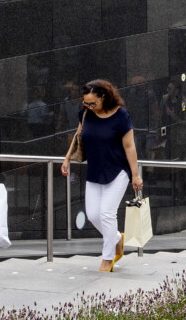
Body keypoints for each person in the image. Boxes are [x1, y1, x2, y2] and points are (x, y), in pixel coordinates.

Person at [59, 79, 142, 272]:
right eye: (85, 103)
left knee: (106, 213)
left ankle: (107, 258)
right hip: (95, 170)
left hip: (118, 170)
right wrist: (67, 159)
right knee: (93, 214)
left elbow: (130, 146)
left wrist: (135, 175)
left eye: (92, 103)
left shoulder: (121, 115)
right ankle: (117, 238)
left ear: (104, 97)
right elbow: (78, 135)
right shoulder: (87, 114)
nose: (88, 106)